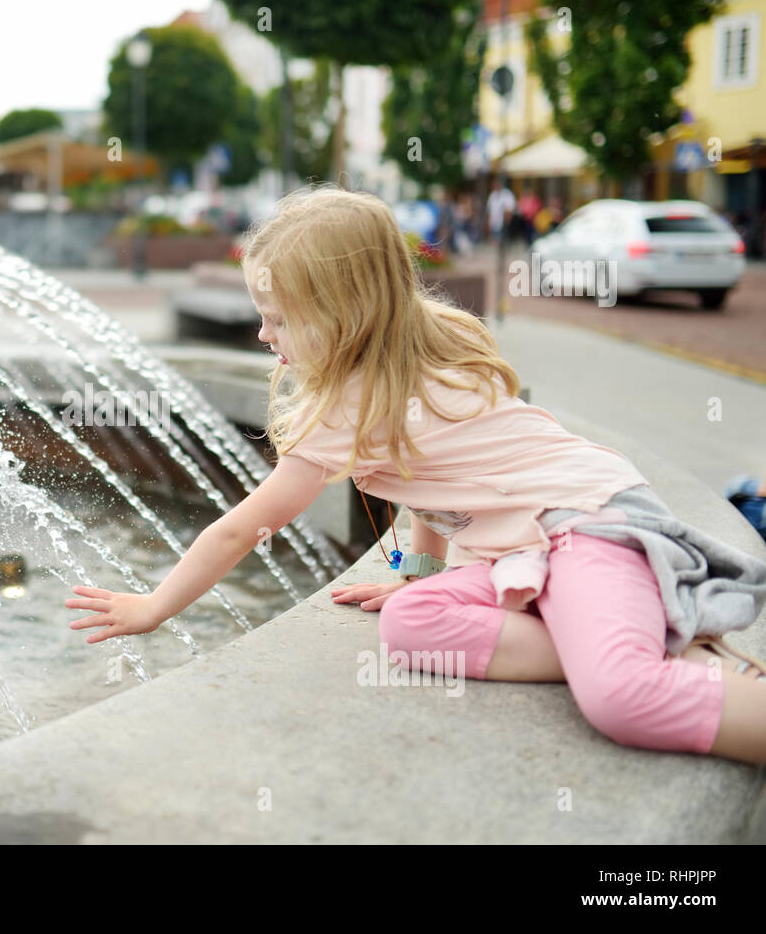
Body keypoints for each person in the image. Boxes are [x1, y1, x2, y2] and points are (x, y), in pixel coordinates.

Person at [65, 184, 766, 765]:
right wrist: (419, 572)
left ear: (341, 316)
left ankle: (662, 660)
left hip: (588, 524)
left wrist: (155, 605)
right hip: (536, 542)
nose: (263, 335)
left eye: (278, 318)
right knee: (410, 618)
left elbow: (244, 527)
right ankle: (606, 632)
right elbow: (431, 480)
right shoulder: (421, 341)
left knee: (619, 697)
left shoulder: (347, 403)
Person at [486, 179, 515, 245]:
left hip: (503, 223)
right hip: (494, 222)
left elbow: (510, 209)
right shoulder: (492, 195)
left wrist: (508, 220)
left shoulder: (507, 194)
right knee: (496, 239)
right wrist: (488, 222)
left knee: (502, 239)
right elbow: (489, 210)